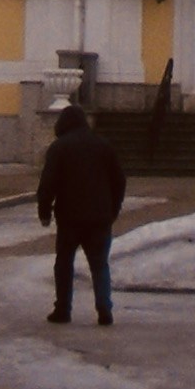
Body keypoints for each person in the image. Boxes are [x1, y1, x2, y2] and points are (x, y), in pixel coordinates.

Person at [36, 101, 127, 326]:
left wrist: (44, 211)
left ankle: (63, 309)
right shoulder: (103, 146)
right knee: (99, 264)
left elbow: (48, 184)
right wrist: (113, 208)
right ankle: (104, 309)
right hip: (99, 218)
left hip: (69, 218)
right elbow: (119, 180)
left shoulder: (59, 148)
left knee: (65, 262)